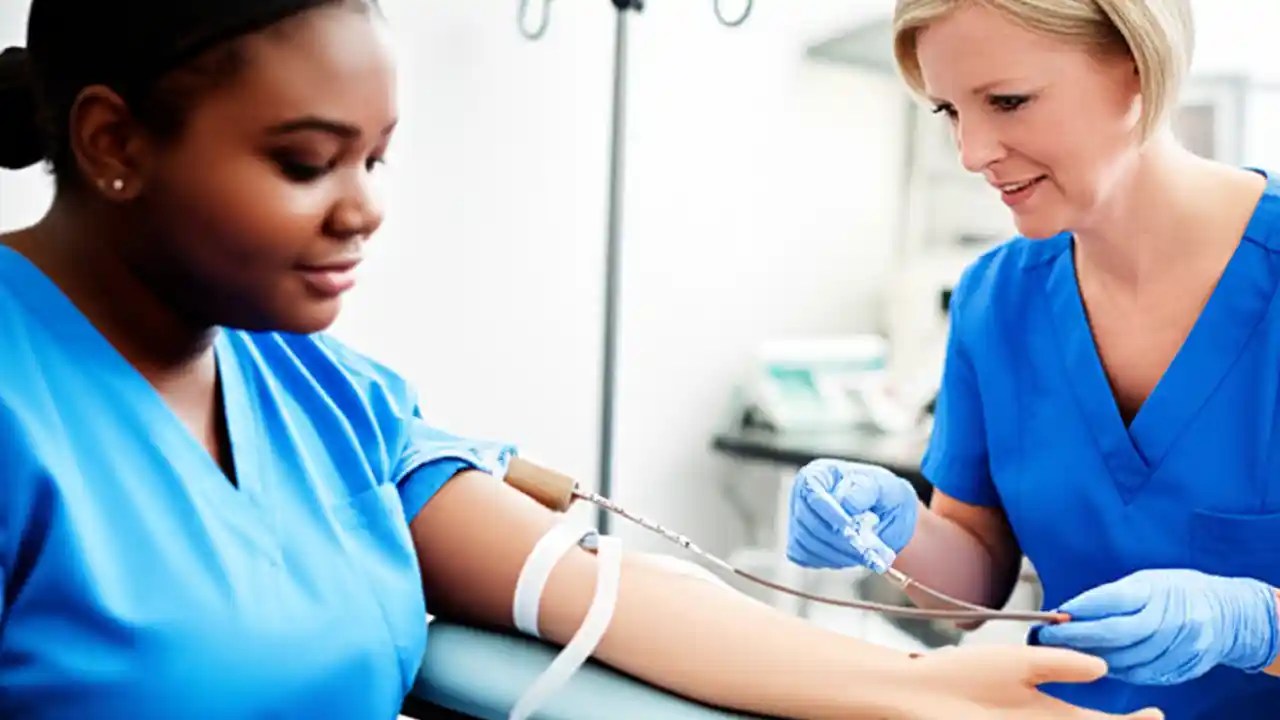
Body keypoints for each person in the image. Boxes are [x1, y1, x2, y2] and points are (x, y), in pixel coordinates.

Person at [0, 1, 1170, 718]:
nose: (364, 212)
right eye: (309, 163)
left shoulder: (316, 392)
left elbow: (593, 592)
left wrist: (912, 691)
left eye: (378, 161)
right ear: (112, 142)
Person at [787, 0, 1280, 718]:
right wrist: (895, 531)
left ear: (1138, 65)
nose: (972, 152)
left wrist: (1255, 625)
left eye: (1008, 102)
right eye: (950, 111)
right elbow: (975, 584)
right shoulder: (995, 301)